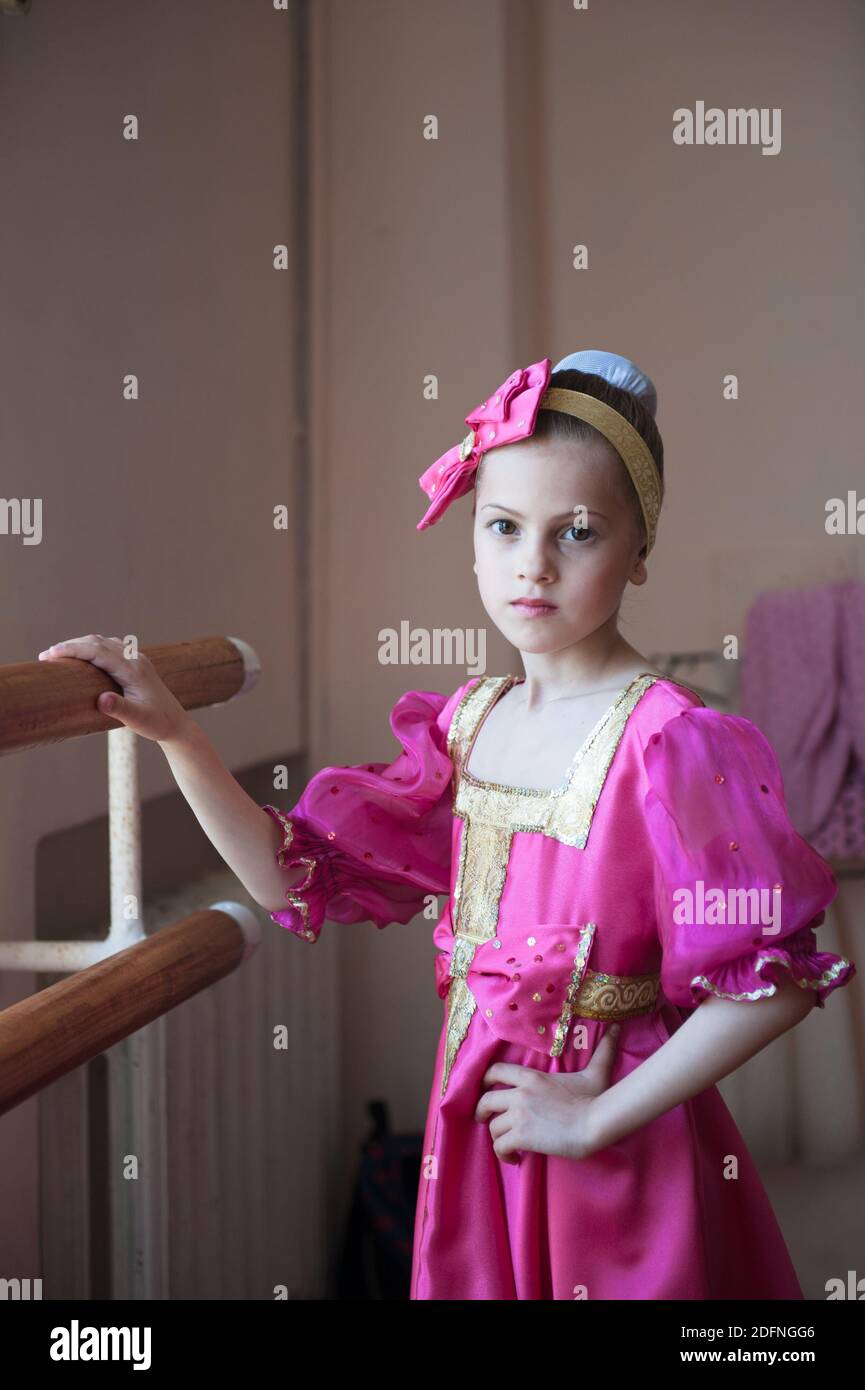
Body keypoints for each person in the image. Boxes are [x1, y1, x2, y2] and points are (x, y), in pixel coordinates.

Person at [38, 349, 856, 1301]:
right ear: (472, 541)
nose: (532, 565)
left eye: (578, 533)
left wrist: (594, 1121)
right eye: (503, 527)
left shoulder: (671, 740)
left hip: (612, 1132)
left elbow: (776, 984)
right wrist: (176, 733)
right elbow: (284, 875)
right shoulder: (465, 727)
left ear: (640, 549)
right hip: (476, 1126)